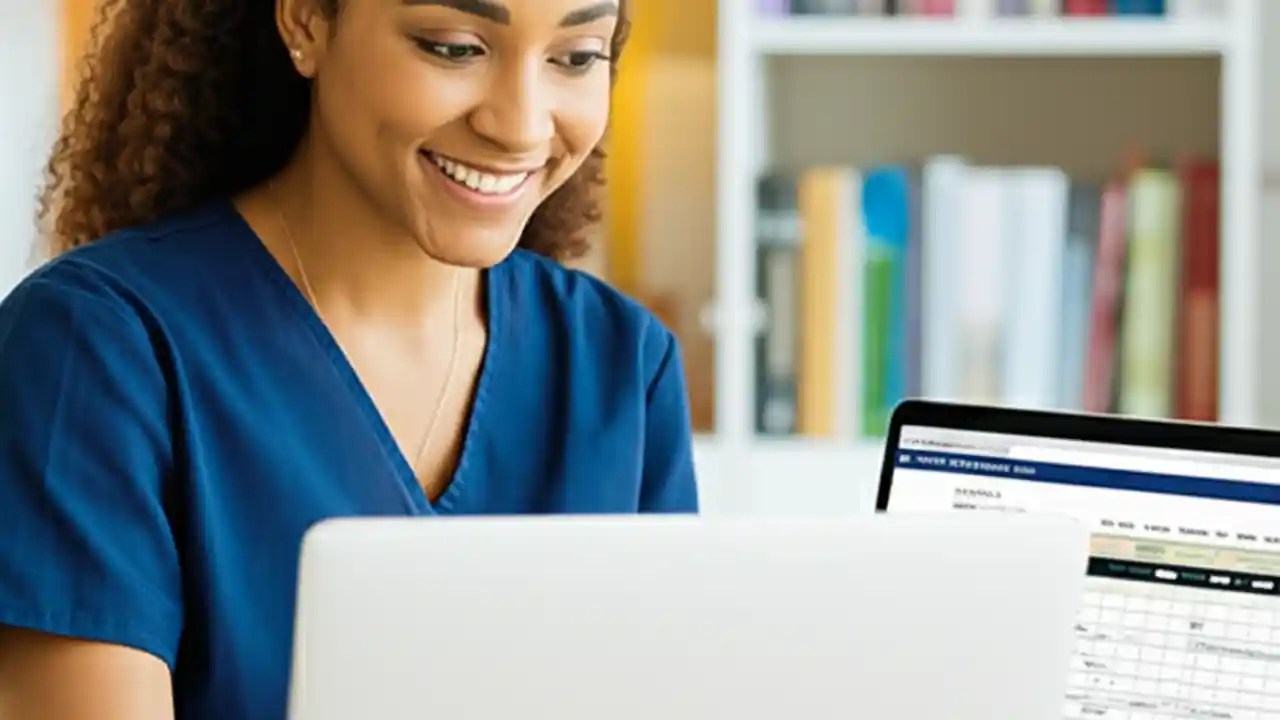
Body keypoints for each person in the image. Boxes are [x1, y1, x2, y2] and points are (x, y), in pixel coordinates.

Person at [0, 0, 698, 717]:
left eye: (576, 57)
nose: (519, 124)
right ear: (306, 21)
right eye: (454, 47)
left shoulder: (621, 366)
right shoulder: (99, 347)